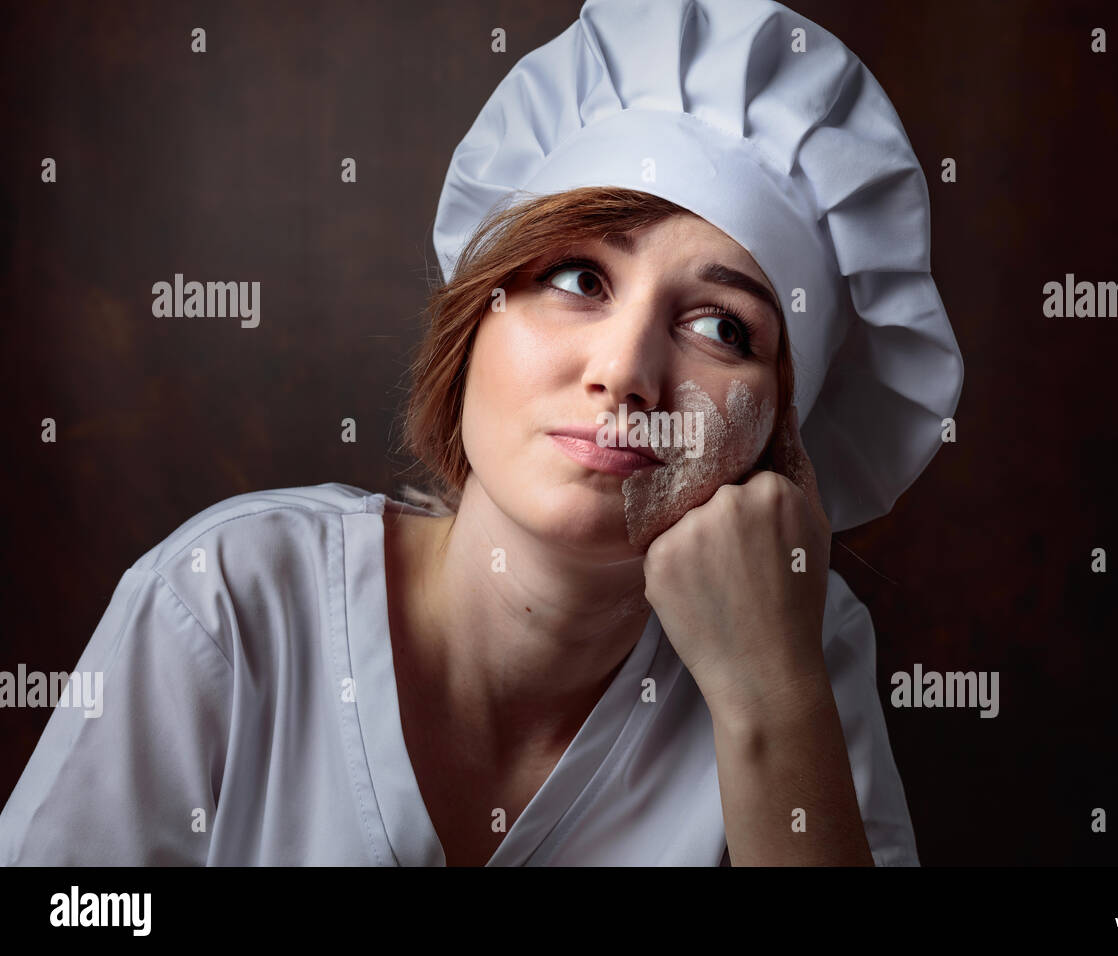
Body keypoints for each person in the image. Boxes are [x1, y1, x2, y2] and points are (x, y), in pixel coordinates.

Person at [0, 0, 961, 866]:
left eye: (722, 328)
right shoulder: (228, 606)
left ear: (780, 442)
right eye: (579, 280)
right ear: (474, 319)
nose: (625, 372)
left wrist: (768, 701)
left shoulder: (801, 652)